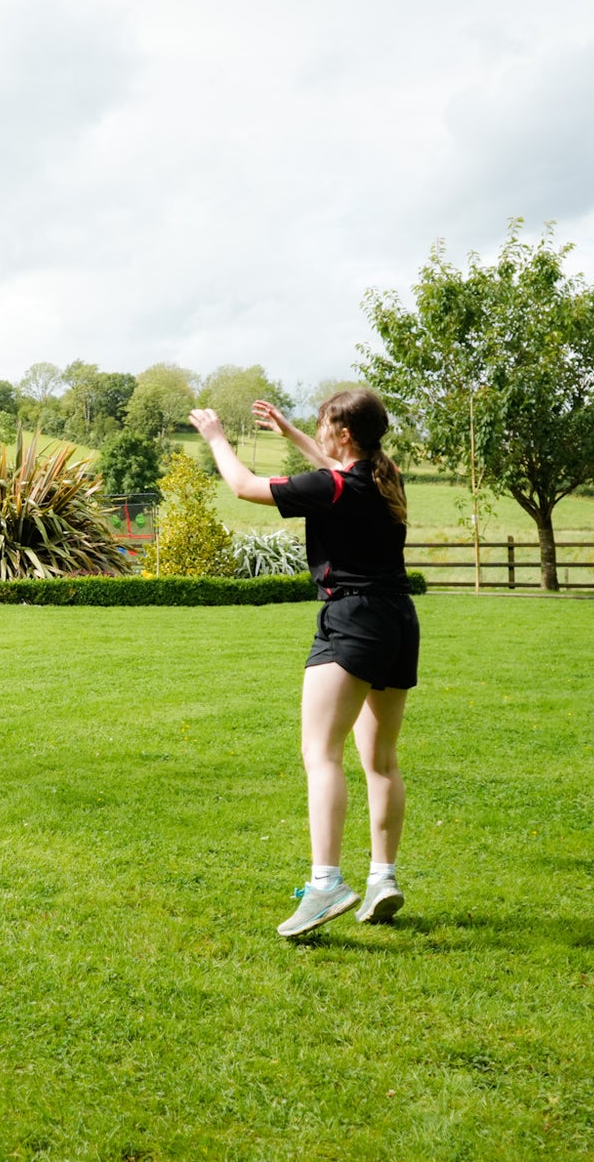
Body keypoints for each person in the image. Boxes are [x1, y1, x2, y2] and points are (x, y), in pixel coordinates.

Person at [189, 387, 416, 939]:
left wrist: (216, 438)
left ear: (343, 434)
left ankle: (326, 883)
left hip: (352, 620)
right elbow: (334, 470)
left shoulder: (337, 484)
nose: (317, 437)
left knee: (320, 753)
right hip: (398, 621)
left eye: (321, 428)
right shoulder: (383, 478)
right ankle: (383, 877)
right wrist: (290, 432)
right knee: (381, 759)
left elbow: (244, 488)